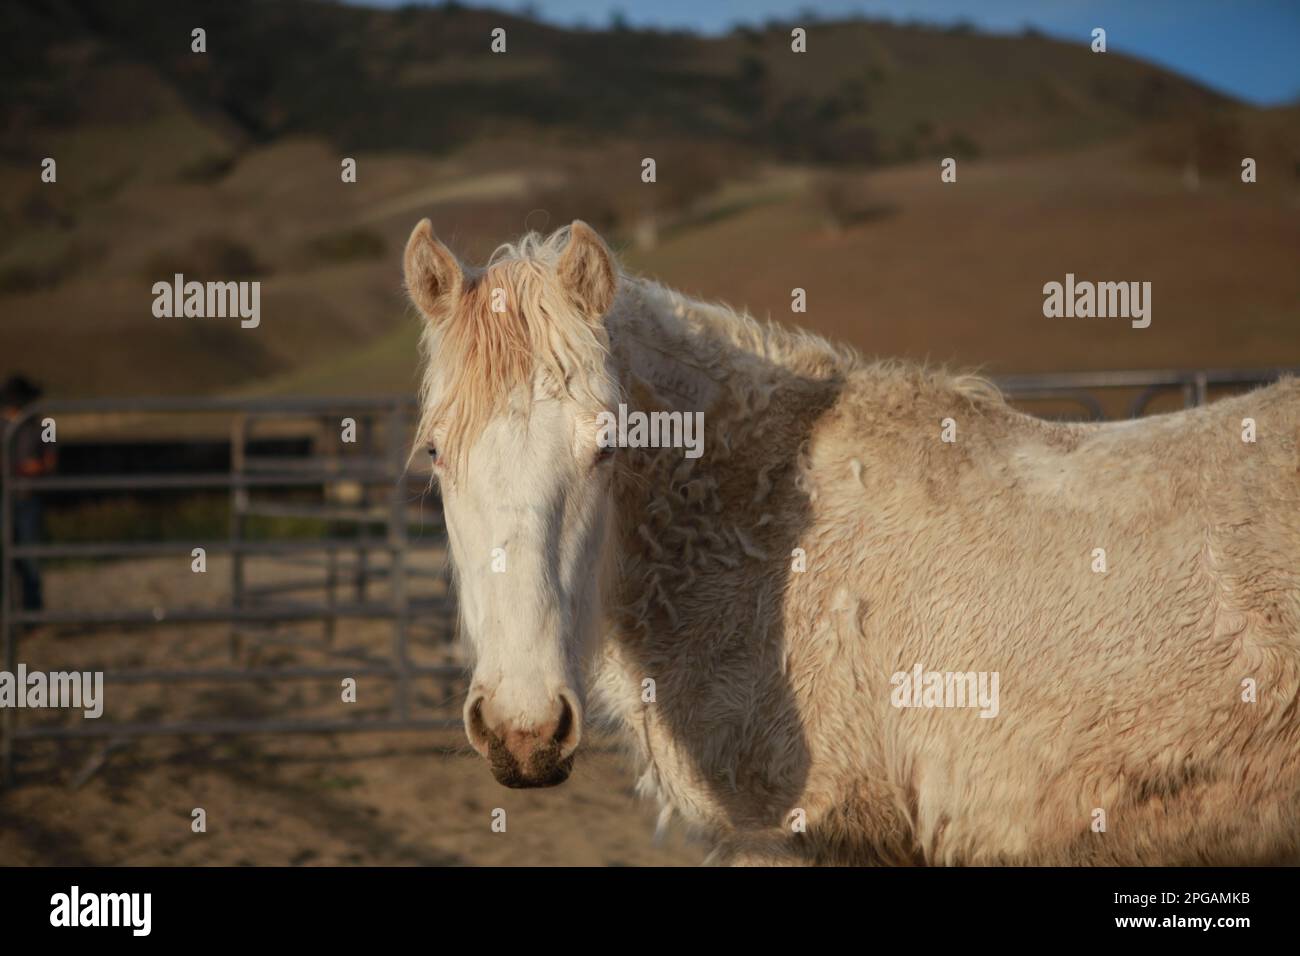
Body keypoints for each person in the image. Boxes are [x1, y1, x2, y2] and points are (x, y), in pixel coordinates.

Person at [1, 375, 54, 611]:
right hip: (6, 498)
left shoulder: (45, 425)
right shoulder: (4, 426)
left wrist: (17, 469)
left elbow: (49, 462)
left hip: (28, 497)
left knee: (30, 556)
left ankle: (32, 610)